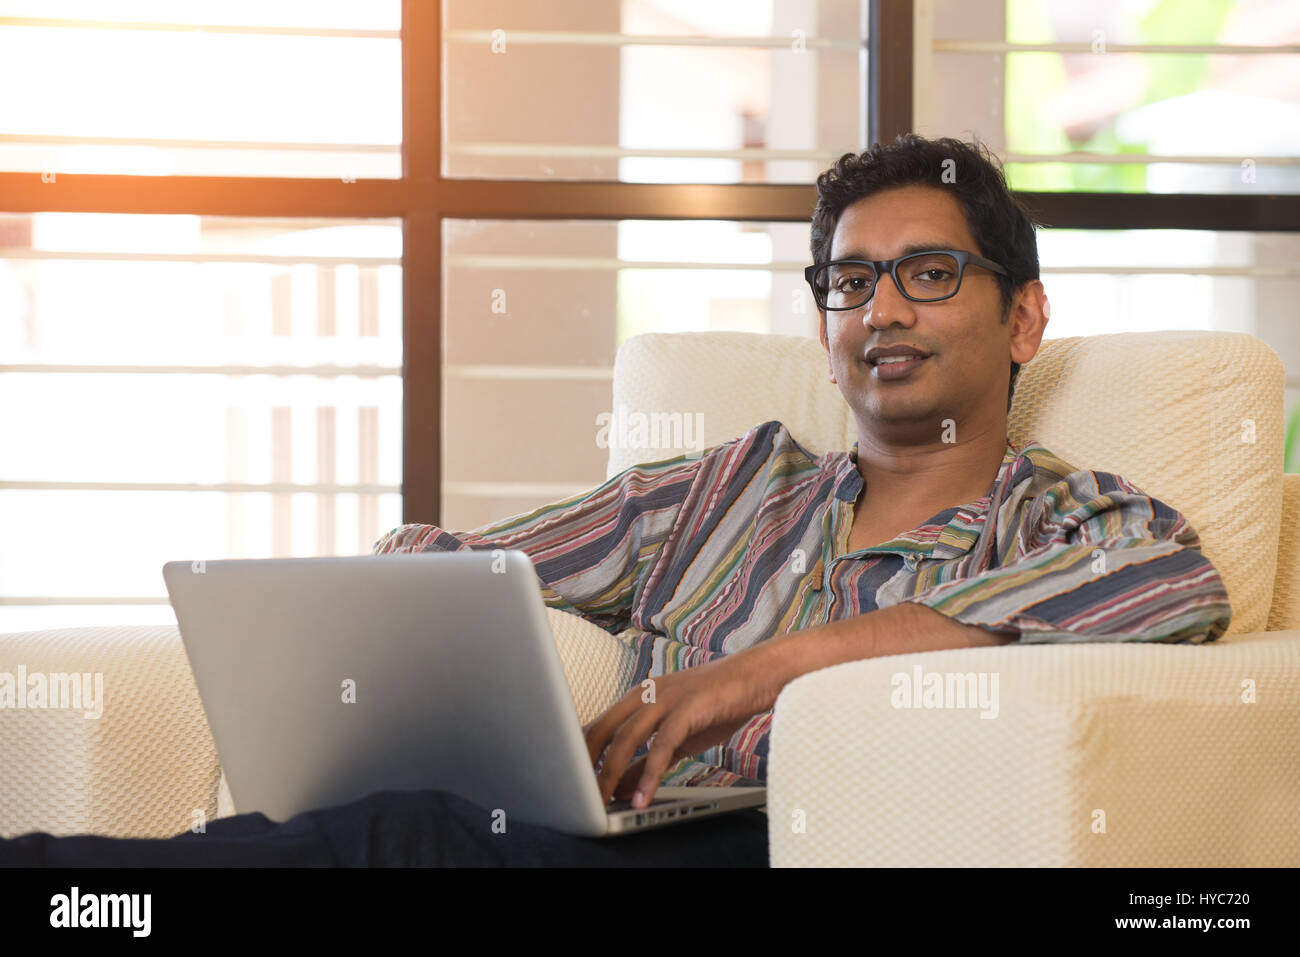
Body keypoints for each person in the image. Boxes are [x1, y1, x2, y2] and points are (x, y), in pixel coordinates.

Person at [0, 133, 1232, 867]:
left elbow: (1177, 588)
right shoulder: (721, 490)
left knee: (395, 842)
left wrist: (757, 671)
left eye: (926, 273)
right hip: (611, 839)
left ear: (1020, 317)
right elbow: (452, 559)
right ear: (822, 321)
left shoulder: (1077, 519)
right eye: (849, 281)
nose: (882, 311)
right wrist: (407, 626)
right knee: (382, 828)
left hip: (813, 846)